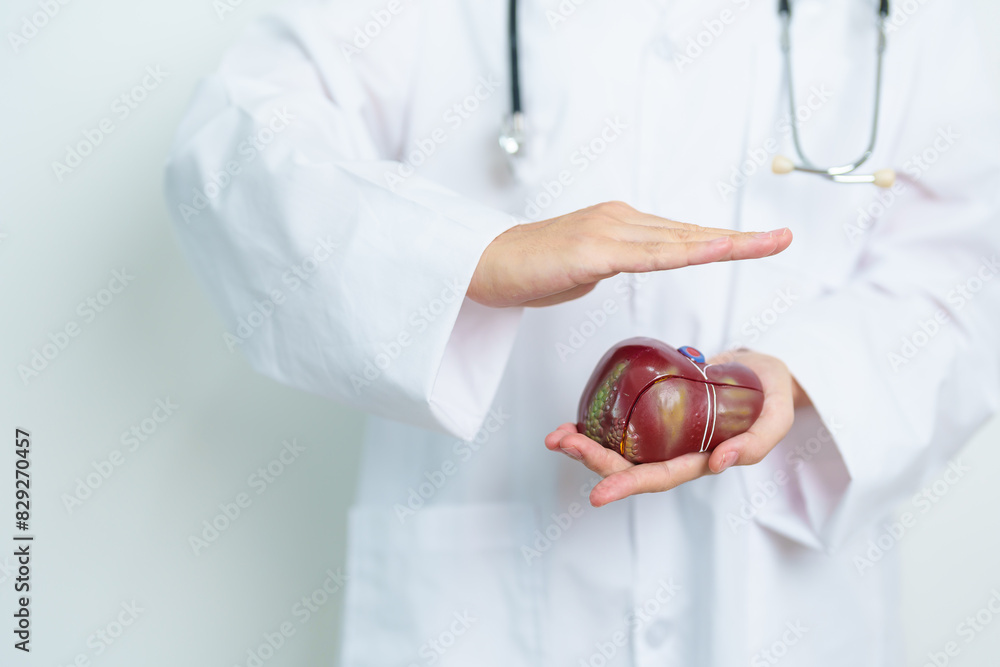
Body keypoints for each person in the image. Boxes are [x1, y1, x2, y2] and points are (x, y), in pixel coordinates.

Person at [164, 1, 1000, 664]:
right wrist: (475, 252)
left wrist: (803, 373)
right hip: (483, 605)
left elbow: (968, 261)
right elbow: (234, 147)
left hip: (782, 606)